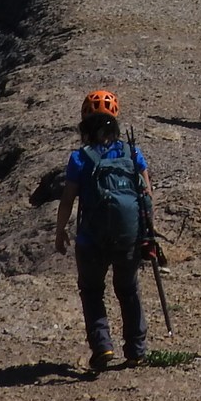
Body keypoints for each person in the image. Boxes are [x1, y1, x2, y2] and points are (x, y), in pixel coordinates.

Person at [55, 89, 152, 372]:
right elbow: (147, 193)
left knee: (92, 290)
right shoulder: (132, 153)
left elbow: (68, 199)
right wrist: (148, 232)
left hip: (91, 238)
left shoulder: (79, 158)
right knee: (128, 289)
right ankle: (136, 350)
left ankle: (102, 346)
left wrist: (60, 230)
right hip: (129, 235)